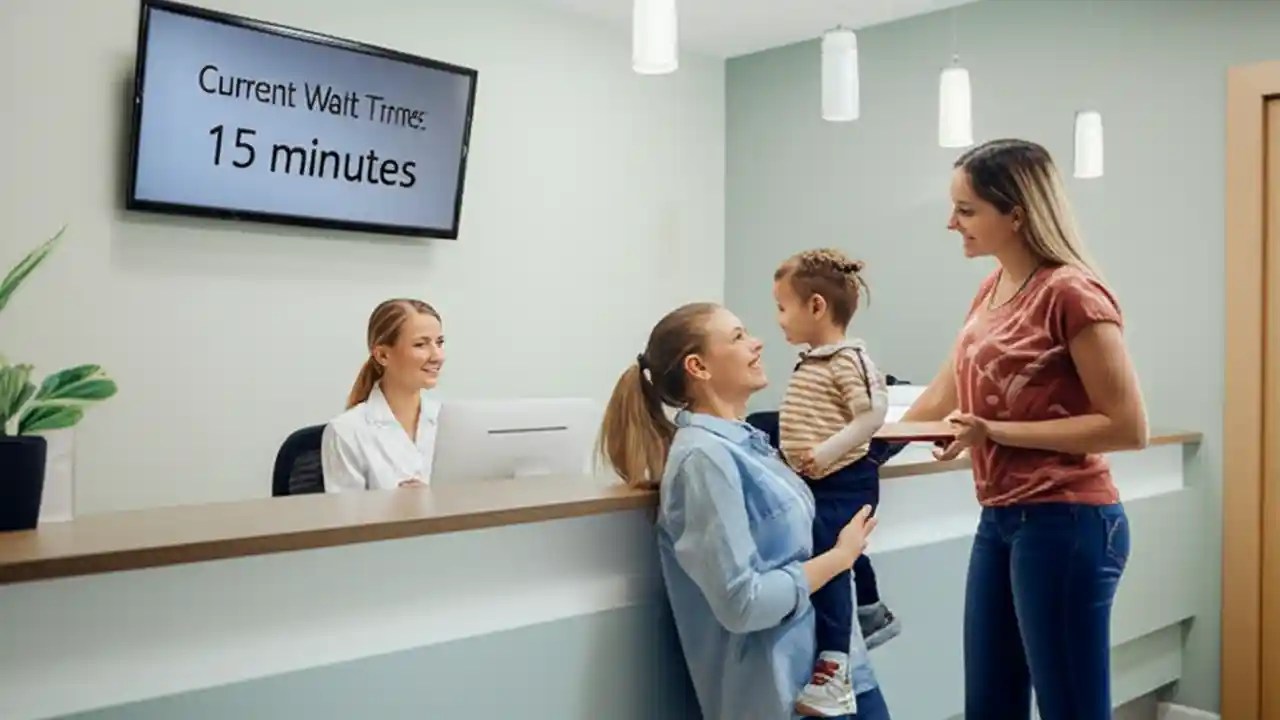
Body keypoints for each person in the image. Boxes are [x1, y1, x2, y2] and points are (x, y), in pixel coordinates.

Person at [900, 138, 1148, 720]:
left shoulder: (1072, 292)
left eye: (966, 210)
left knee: (1072, 710)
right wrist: (850, 448)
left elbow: (1127, 425)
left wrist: (997, 432)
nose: (950, 222)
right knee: (989, 707)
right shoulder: (990, 291)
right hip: (1001, 518)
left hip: (1068, 520)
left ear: (1016, 213)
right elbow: (942, 397)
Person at [597, 301, 891, 720]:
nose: (757, 343)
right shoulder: (704, 461)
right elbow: (743, 603)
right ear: (698, 367)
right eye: (737, 336)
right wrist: (839, 558)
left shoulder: (750, 443)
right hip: (783, 693)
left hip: (838, 679)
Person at [768, 249, 900, 718]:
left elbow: (872, 414)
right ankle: (871, 613)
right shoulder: (816, 360)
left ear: (817, 307)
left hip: (843, 478)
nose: (778, 319)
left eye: (783, 307)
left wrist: (823, 453)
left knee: (831, 562)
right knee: (833, 556)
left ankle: (834, 667)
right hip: (819, 478)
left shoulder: (849, 358)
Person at [321, 298, 446, 492]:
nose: (437, 356)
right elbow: (346, 518)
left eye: (439, 342)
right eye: (421, 345)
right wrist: (394, 505)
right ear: (383, 356)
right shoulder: (347, 431)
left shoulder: (448, 421)